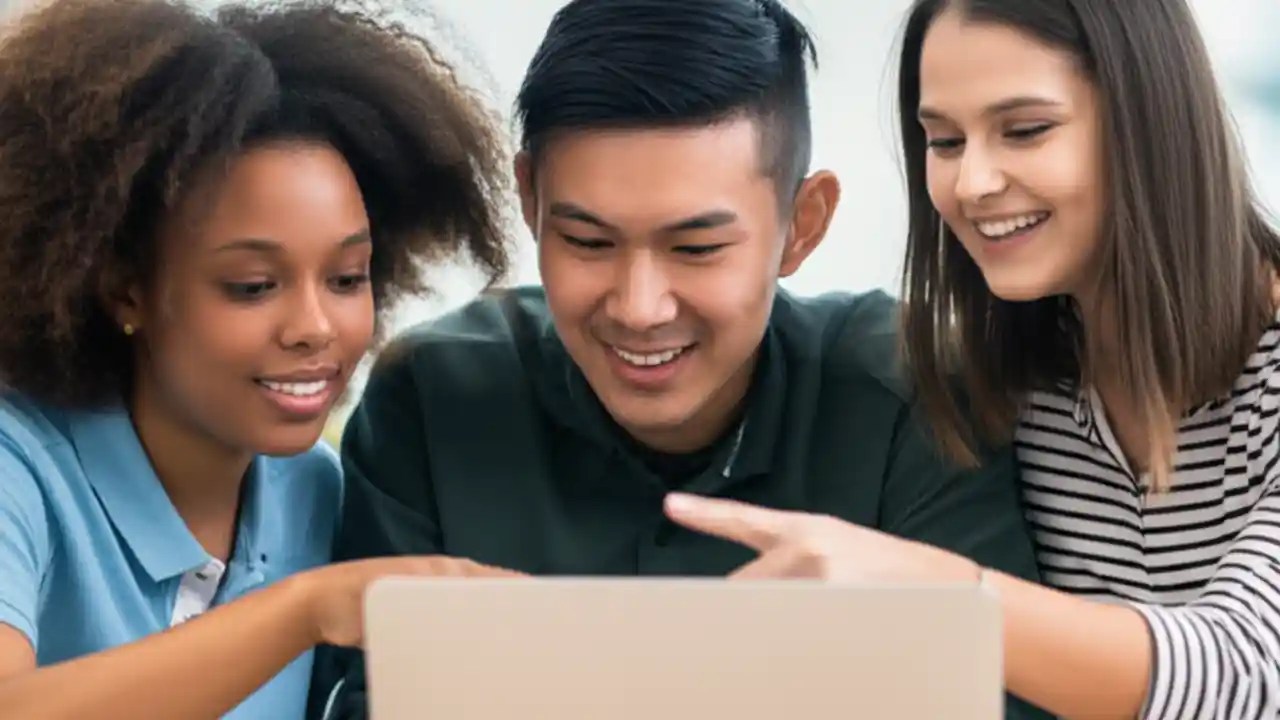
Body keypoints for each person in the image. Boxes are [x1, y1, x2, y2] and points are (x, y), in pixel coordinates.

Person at [312, 1, 1049, 718]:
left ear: (803, 225)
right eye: (589, 243)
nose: (639, 307)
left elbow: (1001, 696)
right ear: (531, 199)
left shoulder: (914, 395)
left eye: (696, 249)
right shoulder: (430, 400)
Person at [664, 0, 1280, 718]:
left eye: (1025, 131)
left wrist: (930, 590)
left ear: (1151, 121)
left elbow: (1251, 671)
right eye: (946, 142)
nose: (972, 183)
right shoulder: (1018, 384)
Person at [0, 0, 521, 717]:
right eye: (252, 286)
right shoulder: (17, 468)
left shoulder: (318, 494)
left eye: (346, 279)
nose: (315, 328)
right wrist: (303, 610)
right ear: (125, 290)